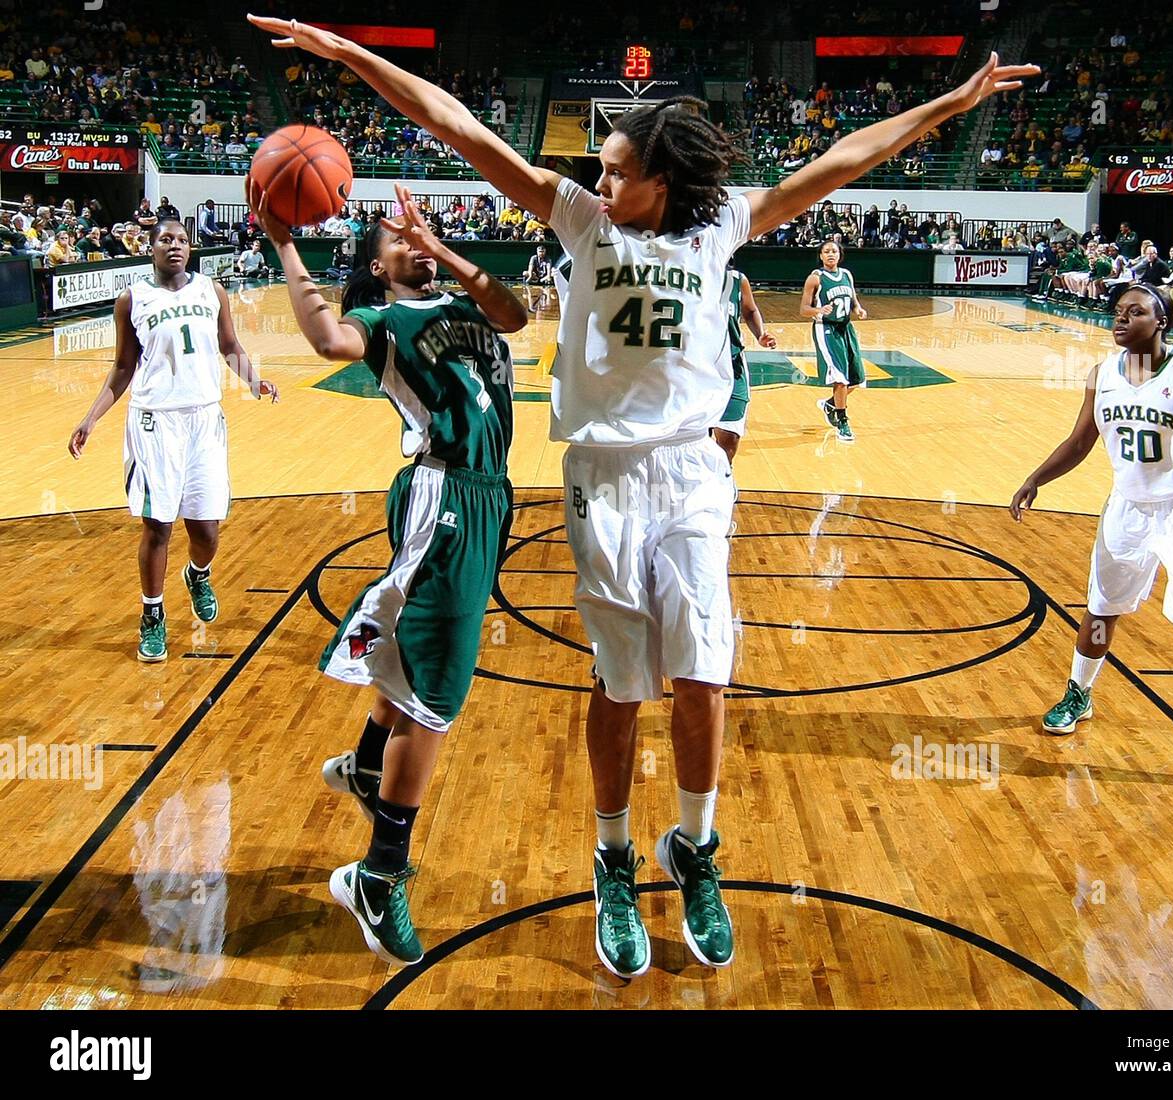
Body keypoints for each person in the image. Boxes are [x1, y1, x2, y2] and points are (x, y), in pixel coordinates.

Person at [251, 12, 1037, 978]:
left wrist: (946, 107)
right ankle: (614, 856)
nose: (600, 179)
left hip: (696, 471)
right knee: (623, 686)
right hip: (604, 478)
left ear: (664, 179)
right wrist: (353, 56)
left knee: (704, 671)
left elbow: (840, 161)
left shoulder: (723, 226)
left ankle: (695, 847)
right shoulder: (579, 220)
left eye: (617, 169)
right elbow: (462, 129)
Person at [251, 180, 526, 966]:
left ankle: (370, 763)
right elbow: (329, 343)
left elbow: (517, 314)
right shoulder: (383, 320)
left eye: (424, 230)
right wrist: (284, 243)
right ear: (377, 269)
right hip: (443, 488)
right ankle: (377, 874)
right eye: (399, 238)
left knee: (418, 658)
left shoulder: (471, 308)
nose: (417, 238)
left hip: (487, 495)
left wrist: (449, 253)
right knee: (438, 696)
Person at [1010, 285, 1173, 800]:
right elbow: (1081, 440)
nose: (1121, 319)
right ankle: (1079, 693)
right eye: (1118, 311)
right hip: (1129, 507)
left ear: (1161, 320)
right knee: (1100, 609)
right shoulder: (1103, 375)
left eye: (1135, 312)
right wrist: (1036, 478)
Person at [67, 219, 278, 662]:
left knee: (206, 529)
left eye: (182, 239)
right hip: (153, 422)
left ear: (190, 247)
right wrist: (90, 418)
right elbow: (123, 366)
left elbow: (230, 345)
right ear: (151, 247)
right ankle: (152, 615)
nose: (175, 246)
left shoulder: (211, 291)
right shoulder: (133, 299)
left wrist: (255, 381)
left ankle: (198, 573)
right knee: (157, 524)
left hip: (204, 418)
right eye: (166, 239)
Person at [803, 239, 867, 443]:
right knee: (840, 377)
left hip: (846, 328)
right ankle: (843, 422)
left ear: (840, 255)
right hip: (827, 330)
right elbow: (804, 309)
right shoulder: (815, 278)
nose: (831, 254)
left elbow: (853, 299)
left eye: (834, 251)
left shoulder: (847, 274)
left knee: (857, 379)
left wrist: (858, 309)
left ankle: (830, 404)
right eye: (826, 251)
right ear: (820, 256)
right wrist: (818, 310)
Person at [713, 262, 776, 465]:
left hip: (732, 364)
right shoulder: (688, 273)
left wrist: (760, 334)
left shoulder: (737, 280)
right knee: (695, 437)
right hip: (695, 367)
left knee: (729, 436)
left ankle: (724, 477)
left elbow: (749, 311)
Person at [521, 243, 553, 311]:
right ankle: (534, 281)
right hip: (535, 276)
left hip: (544, 277)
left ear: (545, 252)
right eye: (540, 252)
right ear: (537, 252)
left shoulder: (548, 259)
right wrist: (530, 277)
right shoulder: (533, 258)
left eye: (542, 252)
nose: (541, 253)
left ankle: (545, 283)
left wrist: (543, 279)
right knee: (524, 273)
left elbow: (549, 271)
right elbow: (530, 268)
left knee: (553, 272)